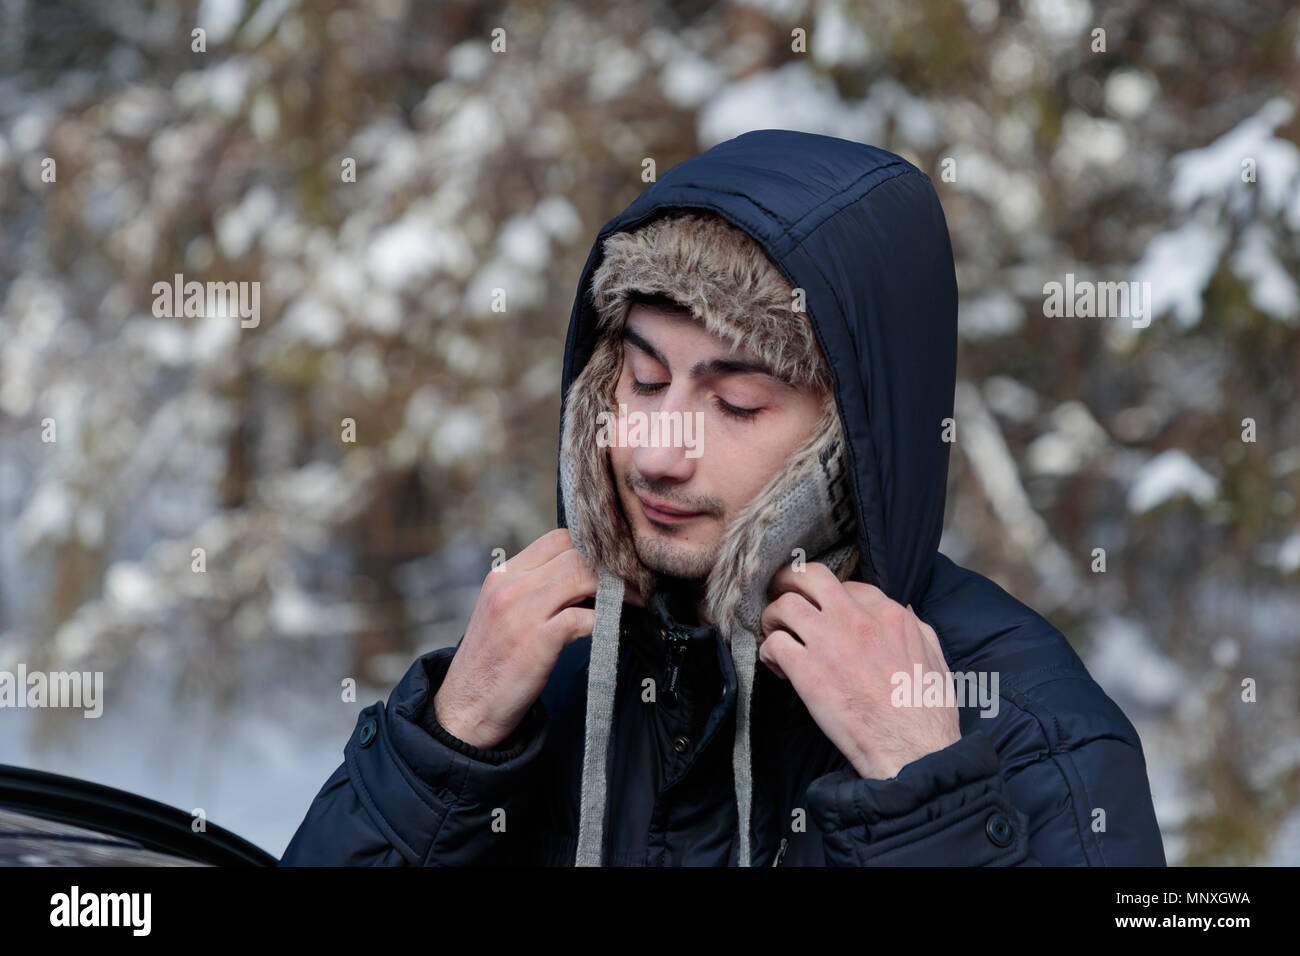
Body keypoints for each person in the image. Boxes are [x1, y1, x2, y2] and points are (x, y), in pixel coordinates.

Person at [280, 129, 1166, 866]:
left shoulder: (1033, 734)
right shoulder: (542, 677)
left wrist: (926, 801)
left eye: (735, 404)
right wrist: (441, 752)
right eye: (642, 377)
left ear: (853, 438)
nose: (659, 455)